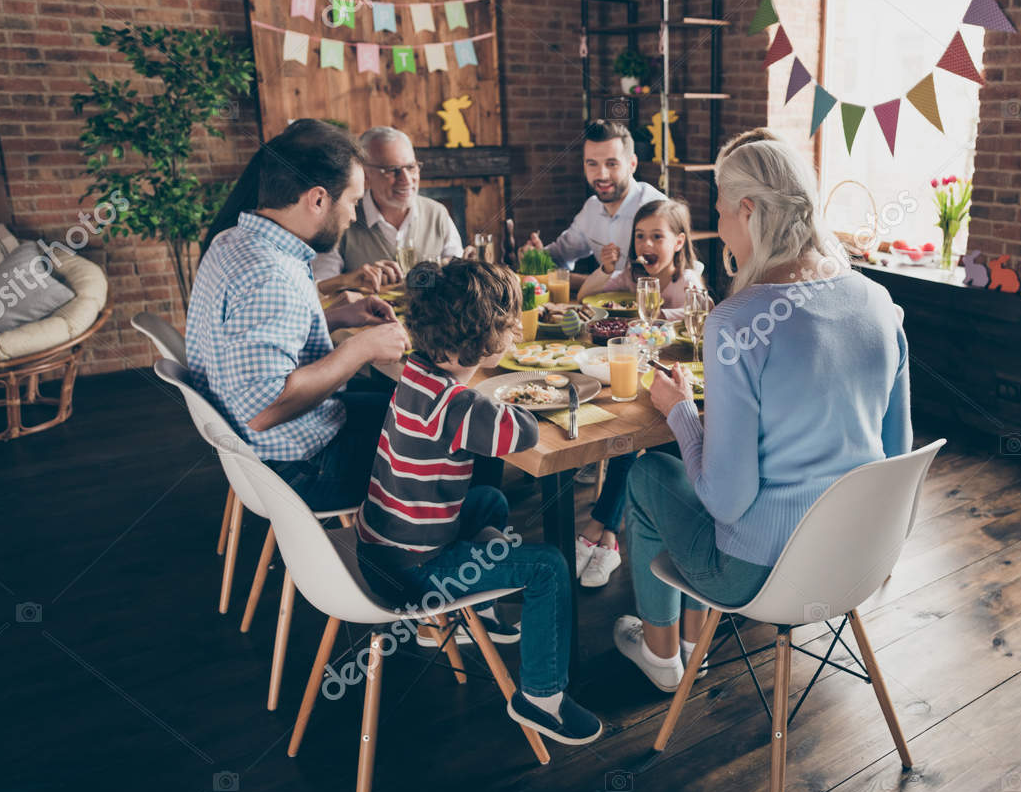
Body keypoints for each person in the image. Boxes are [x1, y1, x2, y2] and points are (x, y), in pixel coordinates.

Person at [613, 132, 912, 691]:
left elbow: (726, 500)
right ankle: (689, 643)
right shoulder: (880, 303)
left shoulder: (737, 320)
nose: (721, 227)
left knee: (648, 473)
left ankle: (662, 652)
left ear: (748, 211)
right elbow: (897, 455)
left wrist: (682, 413)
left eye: (722, 212)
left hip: (757, 577)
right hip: (860, 560)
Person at [355, 260, 601, 745]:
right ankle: (542, 698)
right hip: (414, 571)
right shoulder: (456, 406)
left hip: (381, 547)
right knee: (549, 566)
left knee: (487, 500)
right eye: (509, 326)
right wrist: (511, 400)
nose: (515, 333)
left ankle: (479, 615)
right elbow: (521, 431)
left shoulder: (415, 373)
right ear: (484, 341)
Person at [186, 120, 409, 511]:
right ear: (318, 199)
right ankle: (445, 537)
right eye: (353, 201)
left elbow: (251, 344)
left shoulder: (232, 241)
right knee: (448, 424)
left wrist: (337, 318)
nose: (354, 216)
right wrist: (361, 348)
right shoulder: (272, 275)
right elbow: (263, 409)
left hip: (266, 453)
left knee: (411, 405)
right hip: (301, 469)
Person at [571, 197, 702, 589]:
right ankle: (608, 537)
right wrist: (604, 270)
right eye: (640, 236)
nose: (646, 244)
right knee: (624, 438)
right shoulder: (632, 275)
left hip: (678, 385)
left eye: (657, 236)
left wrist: (656, 317)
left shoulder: (687, 279)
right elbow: (588, 296)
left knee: (630, 441)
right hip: (641, 378)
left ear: (678, 242)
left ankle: (598, 528)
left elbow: (700, 310)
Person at [312, 125, 464, 296]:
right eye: (392, 170)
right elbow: (318, 290)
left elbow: (458, 278)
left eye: (411, 167)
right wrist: (348, 280)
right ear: (365, 173)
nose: (406, 179)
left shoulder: (437, 213)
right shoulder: (341, 218)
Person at [523, 120, 665, 273]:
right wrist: (536, 256)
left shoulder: (657, 209)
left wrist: (589, 281)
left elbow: (663, 278)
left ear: (632, 164)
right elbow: (560, 256)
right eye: (592, 164)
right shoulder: (592, 209)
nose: (602, 175)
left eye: (611, 164)